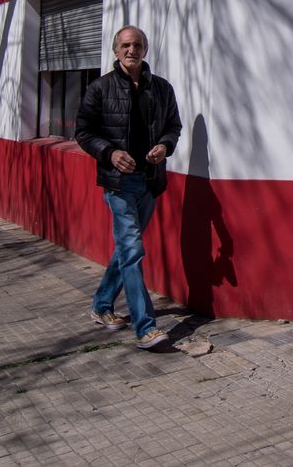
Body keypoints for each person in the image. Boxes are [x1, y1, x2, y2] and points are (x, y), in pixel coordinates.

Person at [75, 25, 181, 350]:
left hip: (150, 181)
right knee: (133, 250)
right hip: (118, 182)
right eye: (125, 45)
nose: (131, 50)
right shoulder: (100, 89)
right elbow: (83, 132)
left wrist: (164, 146)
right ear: (115, 50)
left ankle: (101, 305)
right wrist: (110, 152)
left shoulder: (162, 88)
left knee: (125, 249)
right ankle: (145, 327)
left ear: (144, 50)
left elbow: (173, 127)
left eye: (136, 45)